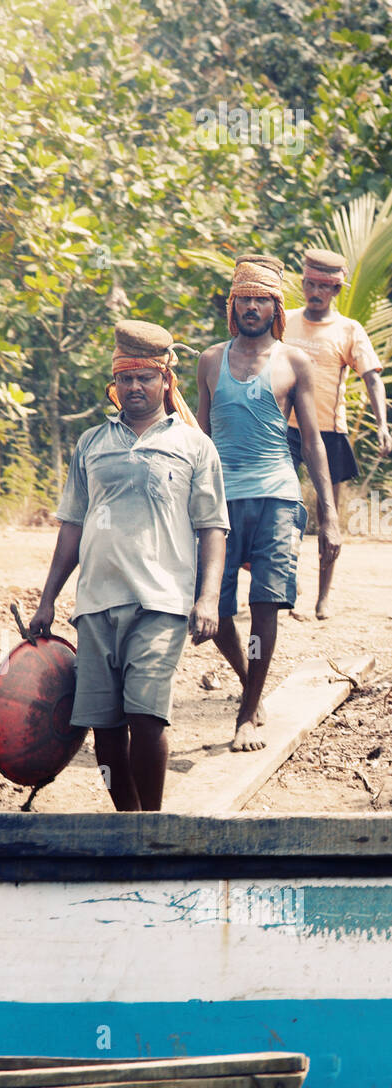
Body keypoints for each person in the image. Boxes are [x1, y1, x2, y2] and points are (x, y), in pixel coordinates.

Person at [29, 319, 228, 811]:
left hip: (161, 602)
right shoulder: (92, 444)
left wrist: (207, 598)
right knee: (107, 731)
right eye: (126, 378)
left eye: (145, 377)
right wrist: (47, 600)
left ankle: (152, 827)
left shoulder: (193, 445)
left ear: (165, 381)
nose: (135, 387)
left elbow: (213, 528)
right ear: (113, 384)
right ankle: (127, 824)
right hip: (95, 603)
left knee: (147, 718)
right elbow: (71, 526)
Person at [196, 256, 342, 752]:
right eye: (245, 299)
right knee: (213, 609)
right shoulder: (211, 361)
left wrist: (328, 511)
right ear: (233, 305)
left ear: (276, 306)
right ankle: (249, 683)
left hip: (277, 496)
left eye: (262, 299)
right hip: (220, 502)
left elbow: (313, 442)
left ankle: (245, 715)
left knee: (265, 607)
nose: (252, 307)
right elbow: (199, 437)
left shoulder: (293, 362)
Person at [285, 247, 391, 618]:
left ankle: (324, 595)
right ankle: (289, 583)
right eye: (310, 284)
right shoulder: (284, 321)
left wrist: (382, 425)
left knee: (327, 511)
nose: (314, 292)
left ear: (336, 290)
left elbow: (372, 379)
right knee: (284, 507)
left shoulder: (349, 329)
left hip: (329, 430)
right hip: (285, 428)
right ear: (303, 283)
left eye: (323, 287)